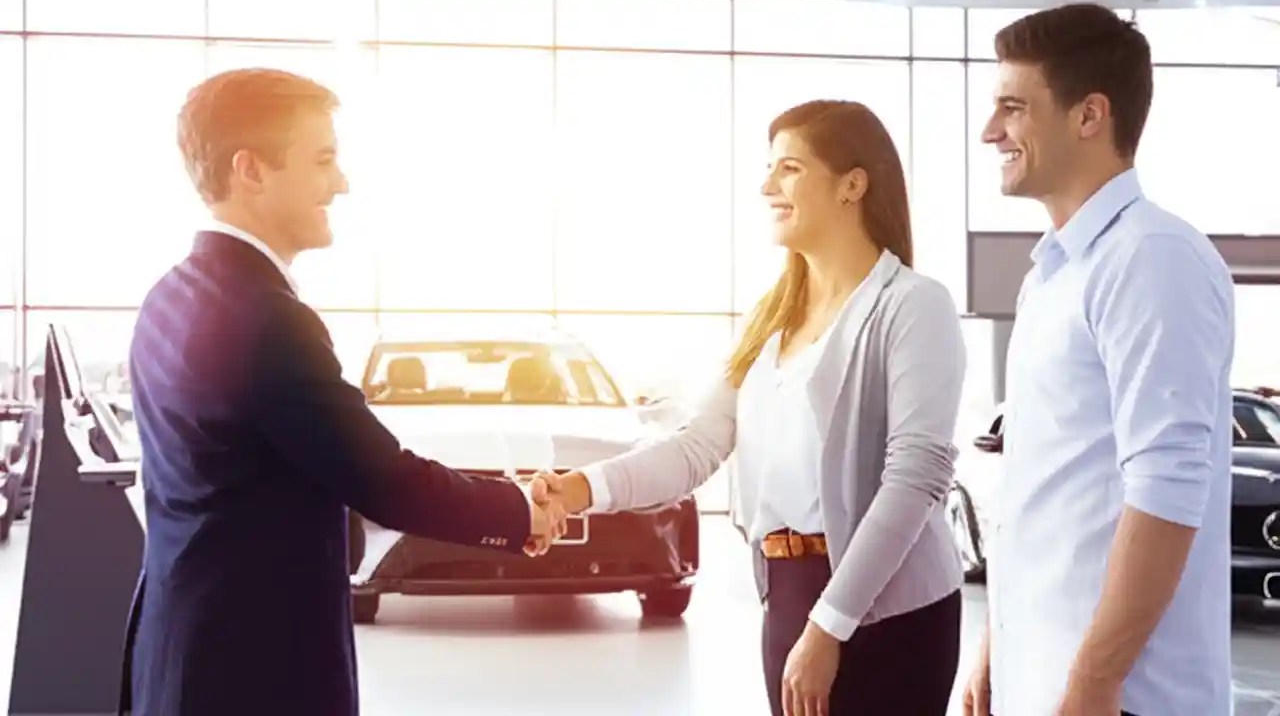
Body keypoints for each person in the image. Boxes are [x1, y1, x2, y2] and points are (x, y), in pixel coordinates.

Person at [121, 68, 568, 716]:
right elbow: (381, 478)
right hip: (254, 672)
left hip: (176, 647)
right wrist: (520, 510)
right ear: (250, 171)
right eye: (323, 159)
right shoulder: (267, 318)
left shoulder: (167, 298)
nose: (342, 182)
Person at [530, 99, 967, 716]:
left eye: (788, 169)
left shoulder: (913, 306)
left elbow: (914, 478)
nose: (767, 188)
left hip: (888, 606)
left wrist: (830, 625)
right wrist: (578, 490)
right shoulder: (773, 317)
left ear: (852, 184)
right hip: (789, 591)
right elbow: (696, 446)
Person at [963, 5, 1234, 716]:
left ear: (1090, 115)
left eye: (1013, 108)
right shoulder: (1053, 274)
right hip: (1046, 683)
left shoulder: (1150, 258)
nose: (990, 130)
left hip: (1122, 700)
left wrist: (1091, 683)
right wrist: (999, 646)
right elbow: (1041, 491)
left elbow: (1169, 489)